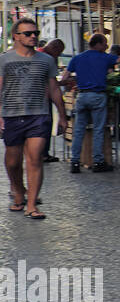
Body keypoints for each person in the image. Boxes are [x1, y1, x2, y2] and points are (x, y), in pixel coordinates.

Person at [0, 18, 68, 218]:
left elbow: (54, 88)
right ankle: (18, 189)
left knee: (35, 158)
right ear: (16, 36)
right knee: (13, 161)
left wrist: (62, 116)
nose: (33, 37)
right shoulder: (4, 60)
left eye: (35, 33)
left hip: (38, 115)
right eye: (28, 33)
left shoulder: (46, 60)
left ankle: (32, 205)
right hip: (12, 115)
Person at [65, 34, 120, 174]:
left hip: (81, 96)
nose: (107, 46)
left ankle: (75, 162)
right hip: (97, 96)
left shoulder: (77, 58)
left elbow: (65, 77)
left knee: (78, 131)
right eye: (105, 43)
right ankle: (98, 161)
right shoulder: (104, 57)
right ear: (98, 44)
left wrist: (77, 79)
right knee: (98, 130)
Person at [39, 39, 66, 162]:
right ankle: (42, 153)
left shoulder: (45, 56)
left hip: (44, 97)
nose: (58, 56)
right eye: (58, 52)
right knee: (44, 126)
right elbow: (50, 85)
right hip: (42, 99)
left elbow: (53, 83)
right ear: (53, 48)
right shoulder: (45, 58)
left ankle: (42, 153)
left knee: (45, 125)